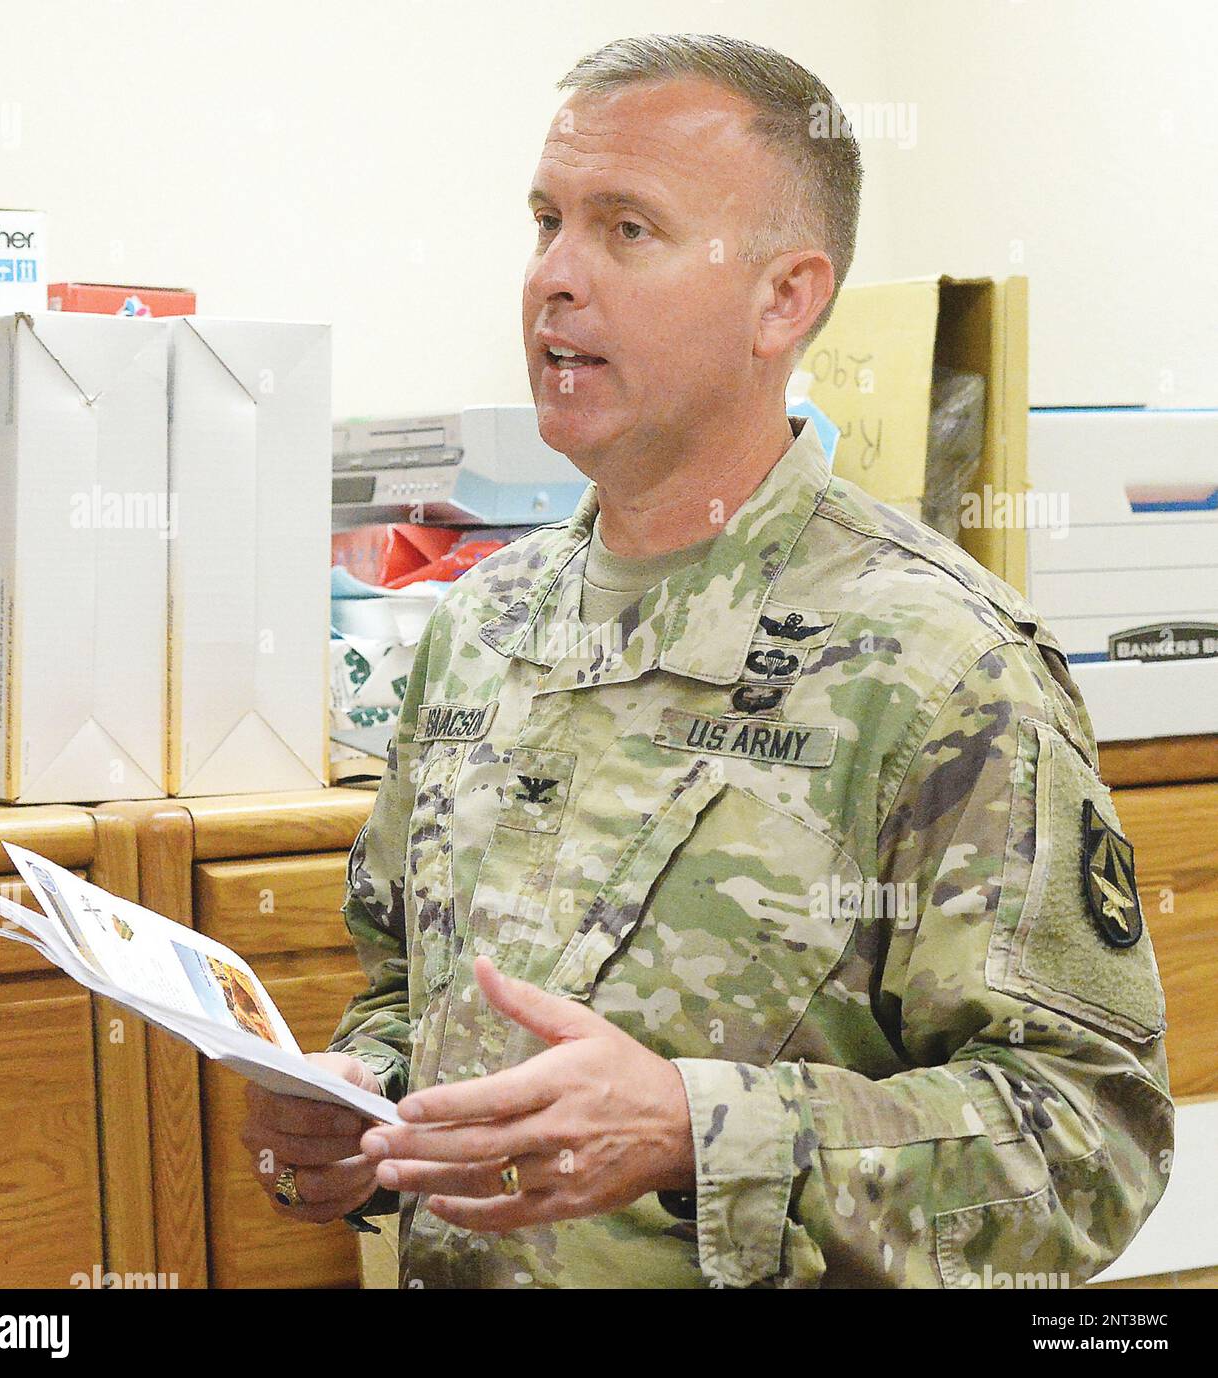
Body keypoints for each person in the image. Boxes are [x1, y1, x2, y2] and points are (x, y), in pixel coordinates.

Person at [241, 32, 1172, 1289]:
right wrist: (359, 1099)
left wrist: (701, 1132)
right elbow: (408, 991)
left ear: (782, 299)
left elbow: (1087, 1145)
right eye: (546, 222)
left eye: (627, 230)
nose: (555, 276)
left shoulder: (941, 663)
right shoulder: (480, 626)